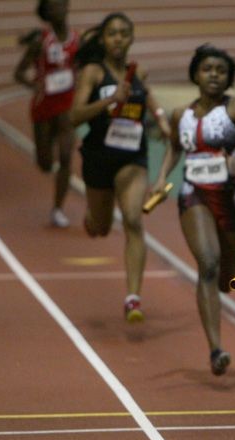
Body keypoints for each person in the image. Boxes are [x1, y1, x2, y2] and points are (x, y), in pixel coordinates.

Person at [155, 44, 235, 376]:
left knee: (225, 281)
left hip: (231, 200)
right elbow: (174, 148)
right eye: (207, 69)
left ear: (229, 78)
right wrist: (162, 177)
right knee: (207, 264)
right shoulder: (180, 115)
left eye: (221, 71)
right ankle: (216, 349)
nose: (214, 76)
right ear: (195, 74)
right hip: (194, 196)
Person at [70, 12, 170, 321]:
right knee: (100, 228)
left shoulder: (138, 72)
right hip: (98, 157)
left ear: (131, 39)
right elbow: (74, 116)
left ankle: (133, 298)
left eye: (124, 33)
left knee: (132, 219)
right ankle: (92, 216)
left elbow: (152, 104)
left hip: (132, 158)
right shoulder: (93, 72)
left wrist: (163, 122)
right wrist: (110, 99)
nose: (118, 38)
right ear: (103, 39)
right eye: (112, 33)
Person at [14, 0, 79, 228]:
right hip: (43, 106)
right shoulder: (40, 41)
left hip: (67, 106)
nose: (57, 9)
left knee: (66, 156)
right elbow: (19, 73)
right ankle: (46, 157)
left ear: (67, 6)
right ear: (46, 13)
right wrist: (35, 86)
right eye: (52, 6)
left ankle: (58, 208)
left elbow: (84, 68)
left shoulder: (77, 40)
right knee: (45, 164)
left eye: (60, 4)